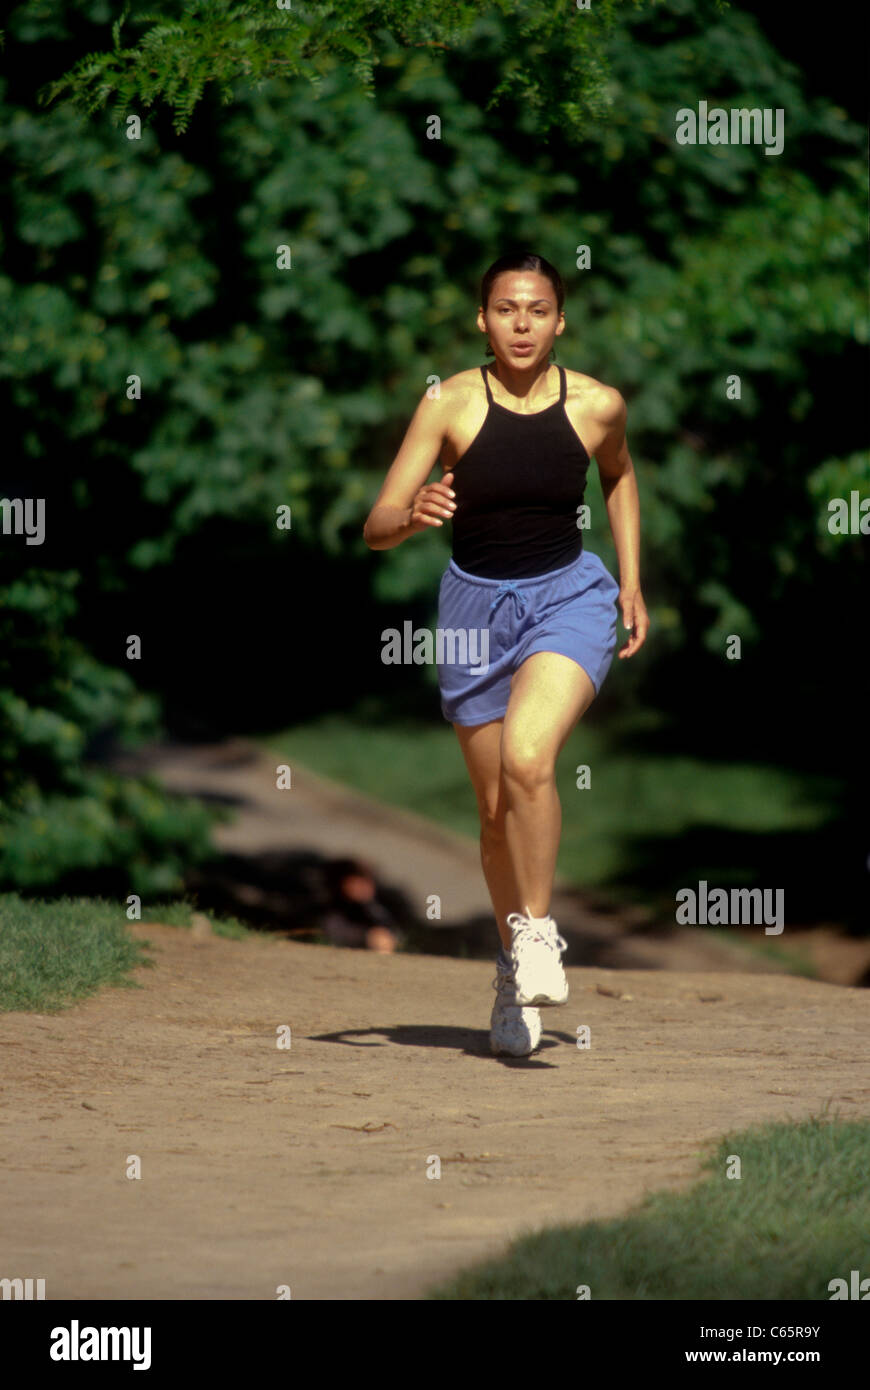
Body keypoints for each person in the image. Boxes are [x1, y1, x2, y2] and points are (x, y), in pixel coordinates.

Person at [363, 251, 649, 1055]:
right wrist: (413, 512)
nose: (521, 325)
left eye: (537, 310)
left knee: (529, 759)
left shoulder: (597, 405)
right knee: (494, 817)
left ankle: (538, 935)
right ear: (480, 320)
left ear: (561, 320)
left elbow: (620, 479)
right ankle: (512, 972)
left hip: (569, 598)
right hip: (472, 614)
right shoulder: (447, 402)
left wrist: (630, 581)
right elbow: (375, 526)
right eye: (504, 310)